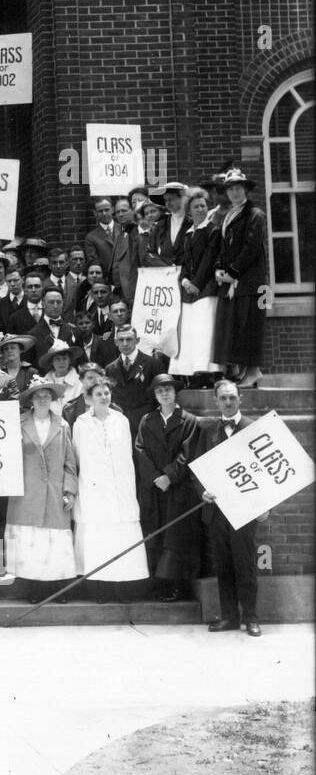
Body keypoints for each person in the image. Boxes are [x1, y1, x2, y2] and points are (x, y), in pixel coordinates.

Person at [191, 380, 264, 635]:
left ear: (240, 398)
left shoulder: (255, 429)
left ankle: (251, 618)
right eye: (223, 398)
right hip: (217, 511)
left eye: (232, 397)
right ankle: (229, 617)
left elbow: (266, 474)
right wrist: (202, 491)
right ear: (216, 401)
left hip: (245, 510)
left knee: (245, 564)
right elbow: (196, 469)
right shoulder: (208, 431)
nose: (228, 402)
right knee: (223, 565)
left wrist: (265, 505)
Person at [71, 376, 148, 603]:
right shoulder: (80, 424)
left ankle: (121, 589)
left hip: (119, 491)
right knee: (99, 539)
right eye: (98, 394)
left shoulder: (121, 421)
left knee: (120, 538)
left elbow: (126, 458)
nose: (104, 397)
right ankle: (101, 590)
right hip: (94, 492)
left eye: (106, 393)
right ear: (89, 398)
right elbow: (77, 458)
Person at [5, 378, 78, 604]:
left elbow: (69, 462)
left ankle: (58, 589)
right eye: (38, 396)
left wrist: (70, 491)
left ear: (52, 399)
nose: (43, 399)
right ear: (31, 401)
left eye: (47, 395)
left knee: (54, 542)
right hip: (27, 492)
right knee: (32, 543)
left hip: (55, 492)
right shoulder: (18, 423)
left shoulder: (63, 425)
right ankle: (35, 589)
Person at [135, 373, 203, 602]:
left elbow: (188, 454)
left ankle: (175, 586)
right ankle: (156, 584)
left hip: (177, 489)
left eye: (168, 389)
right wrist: (155, 477)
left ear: (175, 392)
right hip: (154, 489)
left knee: (175, 537)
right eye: (159, 390)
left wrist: (169, 476)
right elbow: (140, 450)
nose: (164, 393)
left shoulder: (190, 421)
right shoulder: (147, 420)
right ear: (155, 395)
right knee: (156, 534)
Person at [211, 169, 268, 388]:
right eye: (230, 189)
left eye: (238, 188)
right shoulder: (229, 215)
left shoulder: (255, 214)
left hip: (254, 284)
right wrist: (218, 270)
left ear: (245, 190)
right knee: (238, 328)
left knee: (252, 326)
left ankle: (253, 372)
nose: (234, 192)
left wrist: (232, 272)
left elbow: (252, 248)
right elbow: (224, 249)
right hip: (234, 283)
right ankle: (247, 372)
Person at [170, 187, 223, 386]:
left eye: (203, 206)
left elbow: (209, 260)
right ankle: (194, 373)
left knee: (205, 331)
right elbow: (183, 261)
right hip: (190, 290)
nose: (200, 209)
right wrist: (184, 281)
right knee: (191, 332)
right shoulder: (188, 234)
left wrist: (197, 284)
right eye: (196, 207)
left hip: (207, 289)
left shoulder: (213, 231)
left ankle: (209, 373)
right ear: (189, 211)